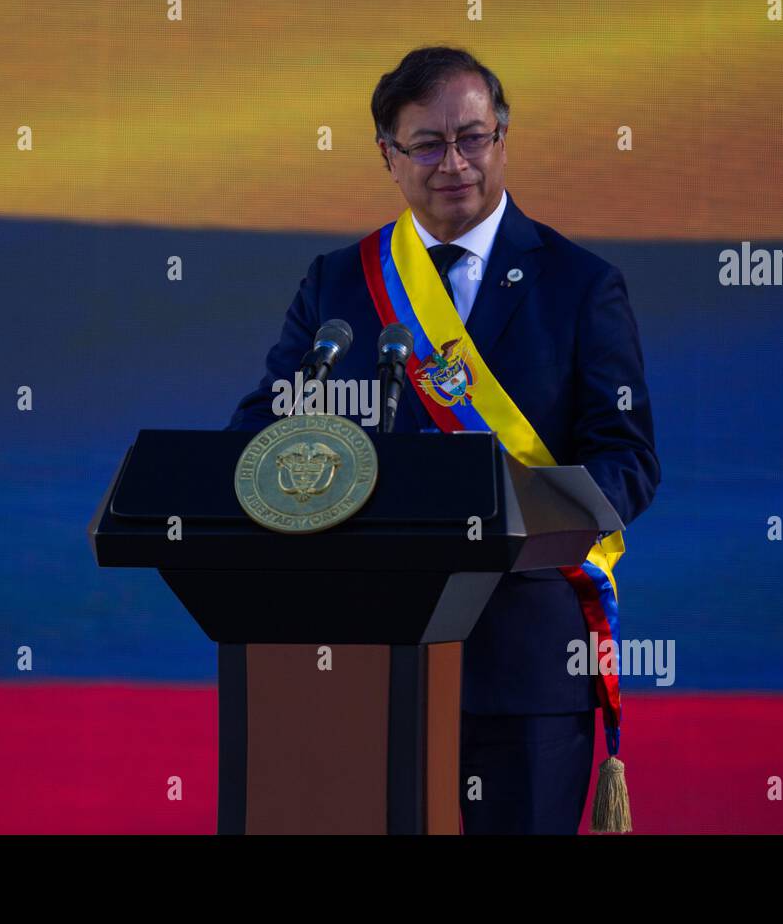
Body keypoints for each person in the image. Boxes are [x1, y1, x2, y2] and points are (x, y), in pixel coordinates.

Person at [226, 46, 659, 833]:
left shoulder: (579, 284)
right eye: (426, 143)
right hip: (361, 657)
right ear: (388, 157)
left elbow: (627, 463)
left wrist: (518, 521)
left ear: (504, 139)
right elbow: (265, 427)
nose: (453, 161)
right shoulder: (338, 282)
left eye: (473, 137)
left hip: (524, 658)